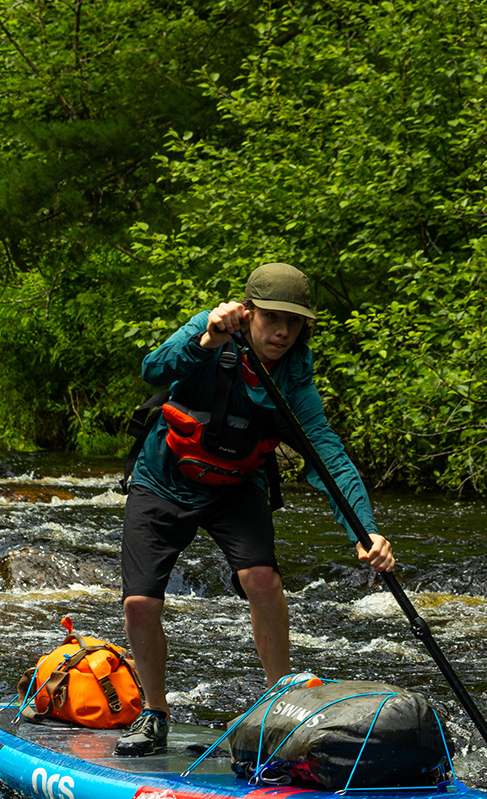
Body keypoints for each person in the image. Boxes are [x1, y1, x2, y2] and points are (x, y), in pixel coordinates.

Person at [116, 262, 395, 756]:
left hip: (235, 486)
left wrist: (364, 530)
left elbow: (327, 455)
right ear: (248, 313)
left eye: (295, 322)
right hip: (164, 478)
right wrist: (206, 340)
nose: (283, 331)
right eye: (272, 318)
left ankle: (278, 701)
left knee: (262, 579)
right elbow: (152, 370)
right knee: (140, 603)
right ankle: (154, 713)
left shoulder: (294, 380)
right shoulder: (211, 328)